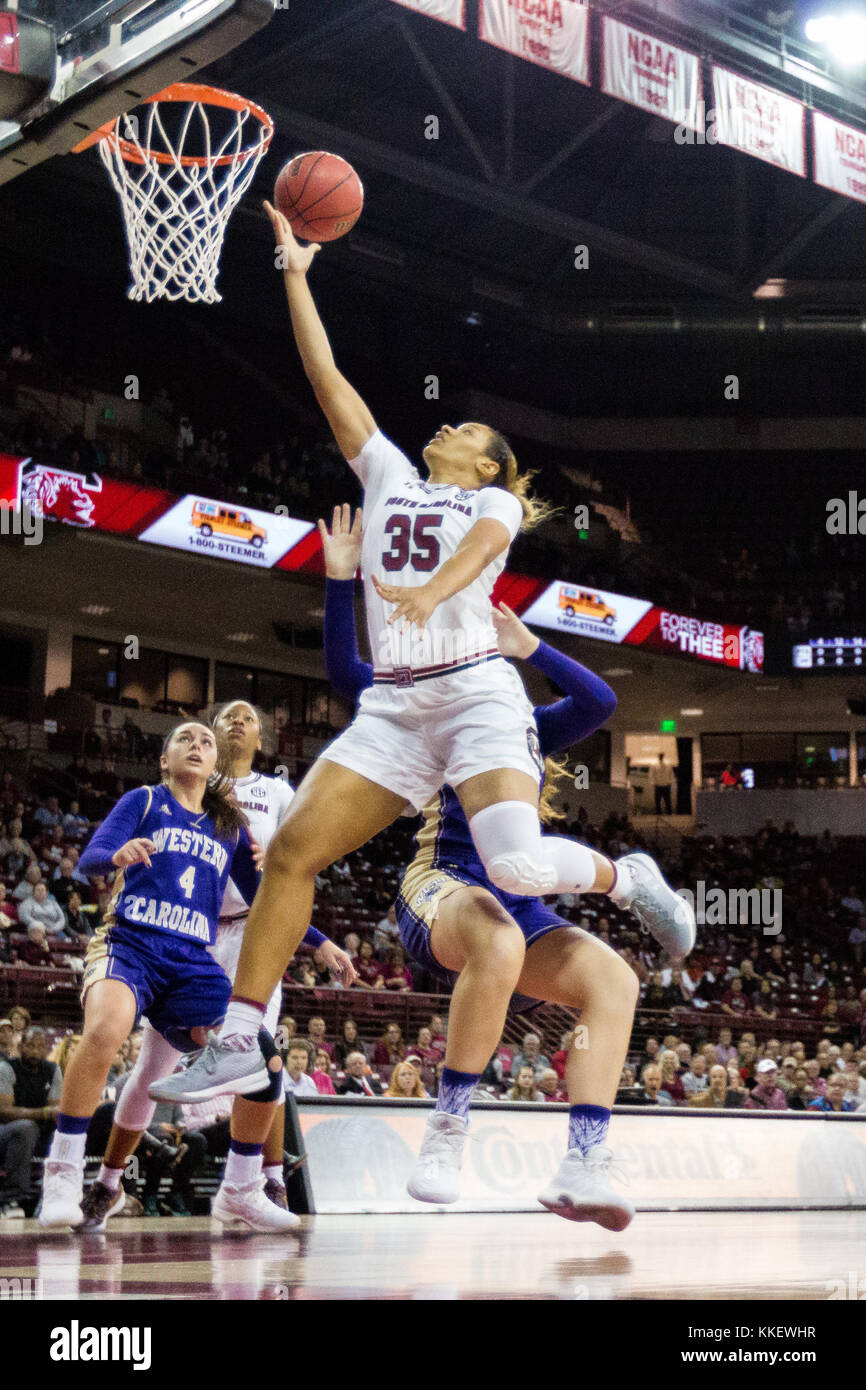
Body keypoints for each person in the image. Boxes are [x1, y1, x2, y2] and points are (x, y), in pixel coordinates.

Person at [157, 209, 695, 1140]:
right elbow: (327, 381)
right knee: (291, 851)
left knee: (520, 862)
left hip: (476, 689)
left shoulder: (488, 496)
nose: (446, 423)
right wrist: (295, 276)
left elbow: (487, 543)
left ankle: (625, 874)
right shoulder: (389, 474)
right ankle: (242, 1031)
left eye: (468, 427)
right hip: (397, 707)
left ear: (488, 461)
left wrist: (429, 590)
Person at [310, 510, 692, 1228]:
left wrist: (532, 644)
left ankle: (584, 1159)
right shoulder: (426, 700)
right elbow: (344, 673)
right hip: (442, 887)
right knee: (499, 937)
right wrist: (340, 578)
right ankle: (448, 1127)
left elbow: (600, 702)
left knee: (615, 980)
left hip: (519, 898)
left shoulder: (522, 721)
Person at [87, 702, 352, 1230]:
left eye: (248, 716)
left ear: (262, 737)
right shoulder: (190, 794)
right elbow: (105, 857)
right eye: (224, 716)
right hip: (190, 935)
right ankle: (107, 1183)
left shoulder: (277, 793)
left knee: (259, 1056)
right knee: (151, 1071)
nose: (234, 722)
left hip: (256, 934)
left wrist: (317, 940)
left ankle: (257, 1180)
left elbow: (288, 872)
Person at [37, 721, 302, 1233]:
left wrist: (324, 941)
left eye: (206, 741)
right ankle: (64, 1174)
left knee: (264, 1058)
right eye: (184, 738)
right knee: (106, 1031)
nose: (197, 745)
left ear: (215, 762)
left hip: (190, 962)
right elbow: (90, 858)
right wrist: (115, 855)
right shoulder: (144, 800)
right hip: (130, 942)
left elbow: (267, 901)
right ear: (164, 759)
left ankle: (242, 1189)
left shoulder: (228, 827)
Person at [0, 1027, 62, 1216]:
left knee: (63, 1132)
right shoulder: (6, 1068)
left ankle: (54, 1197)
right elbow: (4, 1112)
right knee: (26, 1128)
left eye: (40, 1046)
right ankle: (11, 1199)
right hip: (6, 1131)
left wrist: (50, 1114)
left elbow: (55, 1111)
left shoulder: (53, 1070)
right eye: (30, 1045)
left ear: (46, 1049)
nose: (35, 1050)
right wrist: (43, 1113)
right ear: (20, 1047)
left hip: (39, 1132)